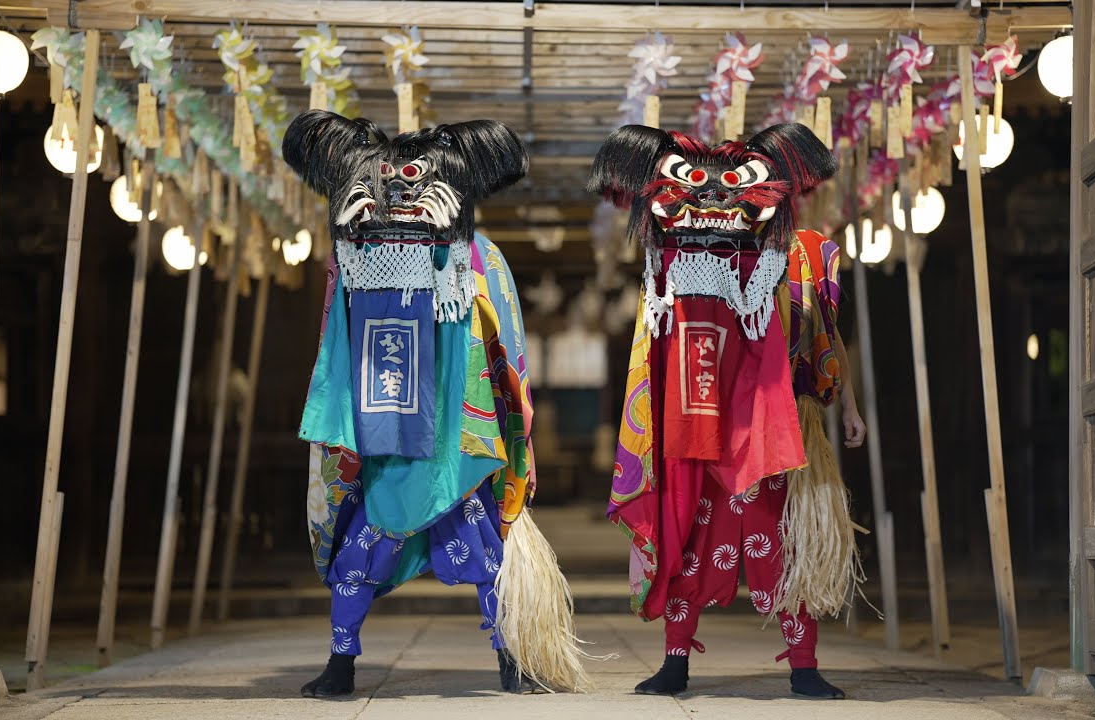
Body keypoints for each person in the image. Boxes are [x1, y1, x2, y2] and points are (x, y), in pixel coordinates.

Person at [283, 111, 588, 698]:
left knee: (487, 557)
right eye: (378, 182)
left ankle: (512, 658)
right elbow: (336, 347)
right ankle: (342, 662)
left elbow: (504, 352)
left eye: (413, 180)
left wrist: (499, 421)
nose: (395, 194)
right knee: (357, 556)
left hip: (451, 435)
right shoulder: (350, 261)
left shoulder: (477, 258)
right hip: (382, 440)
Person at [588, 122, 863, 699]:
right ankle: (675, 661)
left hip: (770, 431)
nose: (713, 198)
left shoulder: (796, 258)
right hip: (693, 428)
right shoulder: (667, 271)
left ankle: (804, 666)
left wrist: (850, 405)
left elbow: (826, 338)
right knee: (687, 543)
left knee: (786, 544)